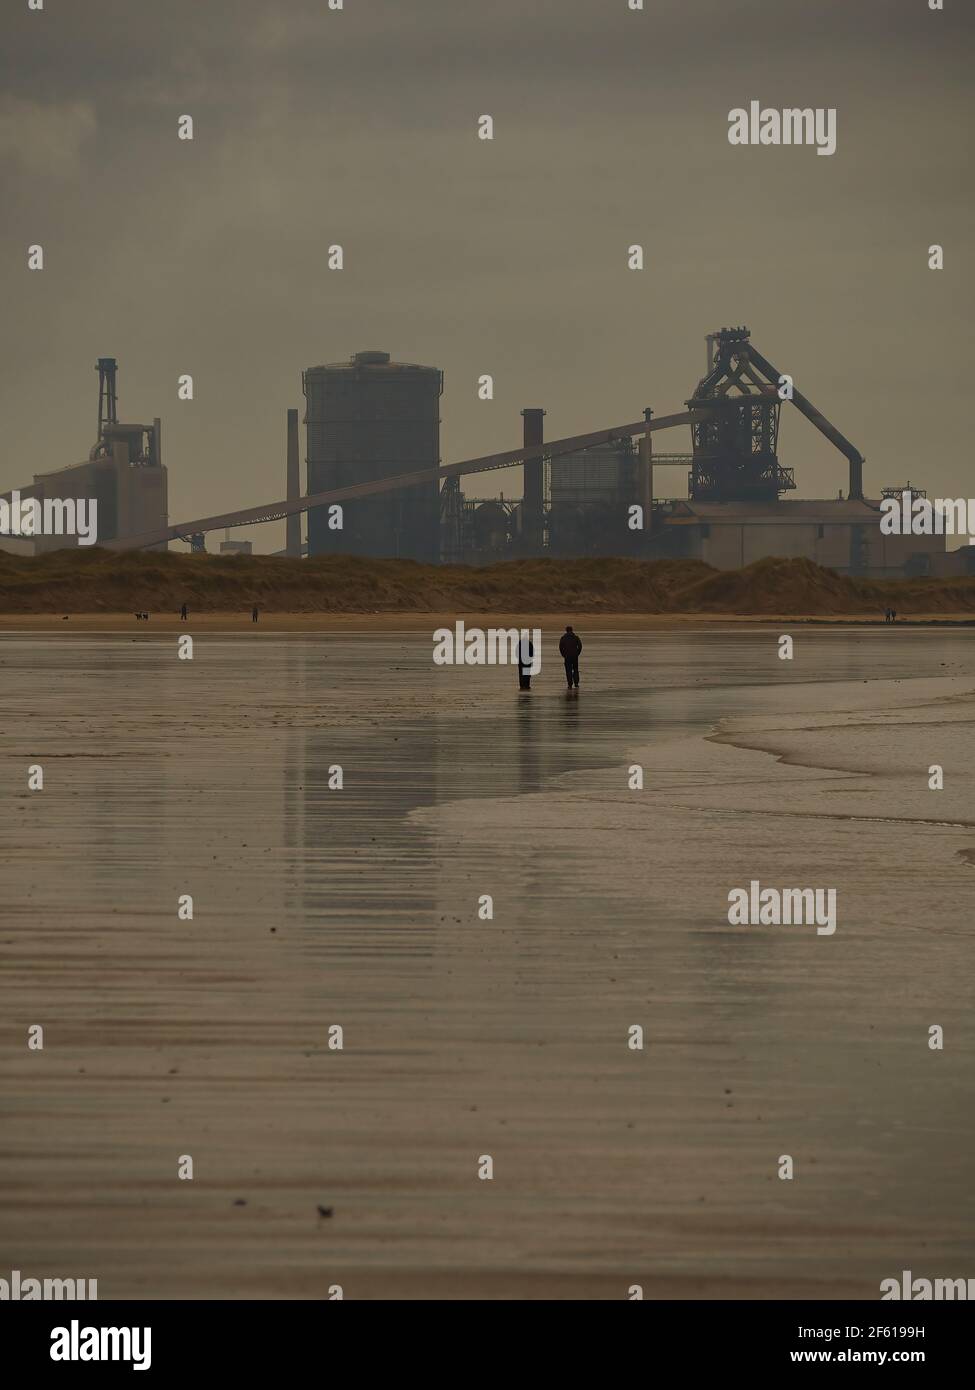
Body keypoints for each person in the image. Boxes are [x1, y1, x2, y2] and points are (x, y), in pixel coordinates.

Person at [559, 624, 582, 689]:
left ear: (566, 630)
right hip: (574, 656)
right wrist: (577, 653)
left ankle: (570, 684)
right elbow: (580, 646)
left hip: (567, 656)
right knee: (575, 669)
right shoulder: (576, 637)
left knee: (568, 670)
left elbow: (561, 647)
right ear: (572, 630)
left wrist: (563, 654)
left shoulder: (563, 638)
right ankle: (576, 683)